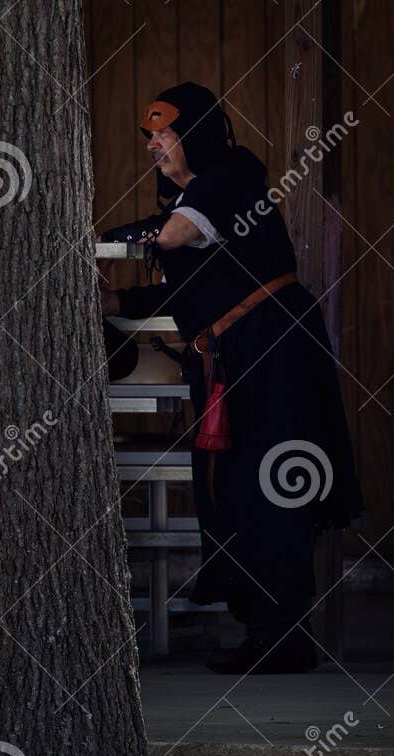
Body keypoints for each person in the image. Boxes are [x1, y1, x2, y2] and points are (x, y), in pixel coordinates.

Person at [100, 81, 362, 675]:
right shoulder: (195, 197)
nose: (154, 146)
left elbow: (171, 237)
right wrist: (115, 302)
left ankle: (282, 638)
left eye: (165, 133)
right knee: (234, 487)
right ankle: (263, 630)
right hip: (234, 355)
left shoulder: (234, 177)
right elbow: (188, 284)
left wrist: (110, 240)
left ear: (194, 133)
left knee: (273, 483)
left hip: (273, 349)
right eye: (150, 136)